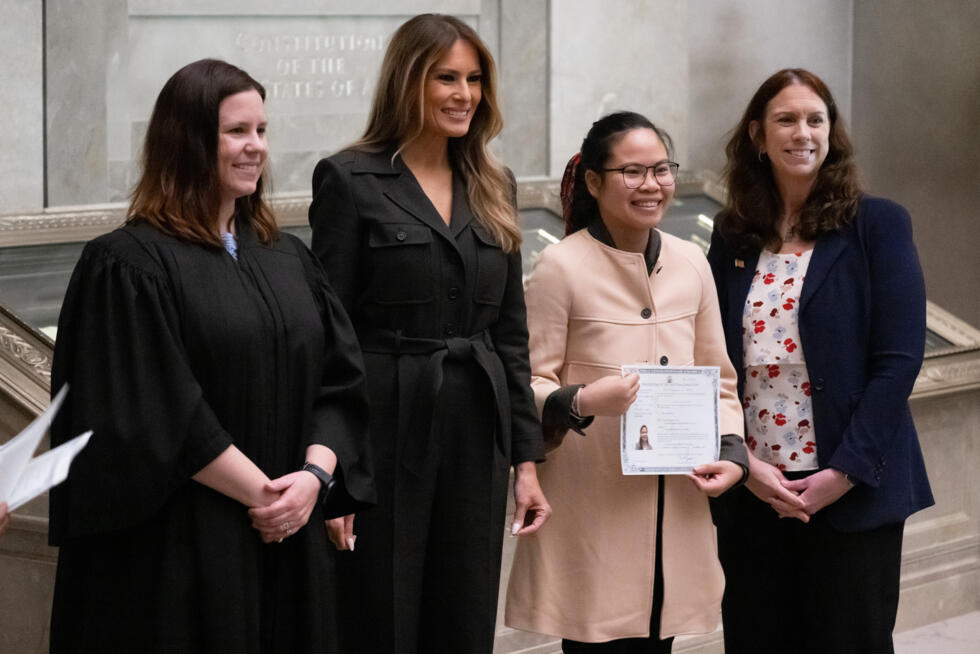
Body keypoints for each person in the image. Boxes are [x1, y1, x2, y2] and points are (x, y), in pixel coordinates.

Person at [48, 58, 373, 654]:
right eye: (236, 132)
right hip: (183, 547)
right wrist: (267, 496)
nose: (256, 148)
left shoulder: (287, 257)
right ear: (187, 140)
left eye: (262, 131)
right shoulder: (127, 265)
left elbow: (341, 381)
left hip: (288, 530)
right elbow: (155, 408)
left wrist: (313, 478)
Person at [307, 13, 550, 654]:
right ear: (407, 80)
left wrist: (526, 462)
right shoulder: (349, 178)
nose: (464, 94)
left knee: (465, 611)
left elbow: (511, 334)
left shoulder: (493, 183)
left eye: (474, 79)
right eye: (446, 77)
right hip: (385, 427)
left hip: (477, 427)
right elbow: (332, 336)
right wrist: (338, 474)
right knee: (380, 614)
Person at [706, 68, 934, 654]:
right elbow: (712, 358)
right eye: (786, 119)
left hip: (850, 486)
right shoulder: (734, 234)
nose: (801, 132)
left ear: (832, 133)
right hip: (757, 487)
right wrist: (744, 463)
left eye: (815, 119)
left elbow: (899, 361)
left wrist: (842, 473)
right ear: (758, 135)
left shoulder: (877, 224)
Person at [505, 111, 748, 653]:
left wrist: (732, 453)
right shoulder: (560, 266)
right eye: (633, 171)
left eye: (662, 169)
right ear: (594, 181)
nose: (652, 185)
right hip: (594, 510)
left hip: (678, 502)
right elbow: (526, 383)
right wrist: (585, 399)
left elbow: (722, 381)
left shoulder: (691, 263)